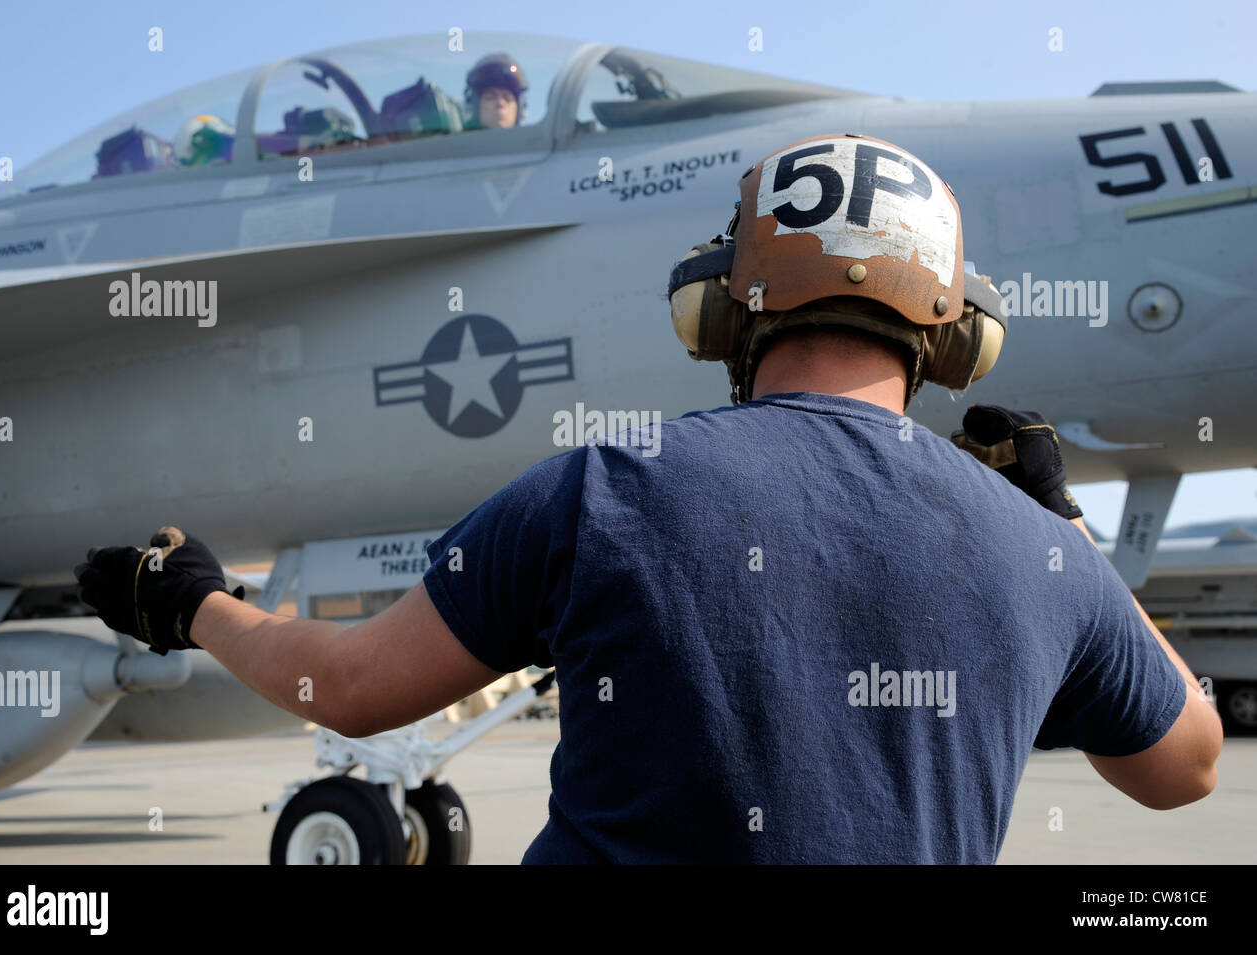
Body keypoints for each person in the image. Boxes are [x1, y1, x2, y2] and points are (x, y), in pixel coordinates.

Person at [74, 134, 1221, 864]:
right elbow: (1184, 767)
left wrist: (193, 602)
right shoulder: (1042, 552)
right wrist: (1058, 518)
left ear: (726, 309)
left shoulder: (607, 484)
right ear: (955, 333)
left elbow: (354, 687)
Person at [462, 53, 526, 129]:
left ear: (519, 109)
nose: (500, 103)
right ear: (473, 105)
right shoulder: (453, 140)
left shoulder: (536, 140)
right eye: (490, 97)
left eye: (507, 99)